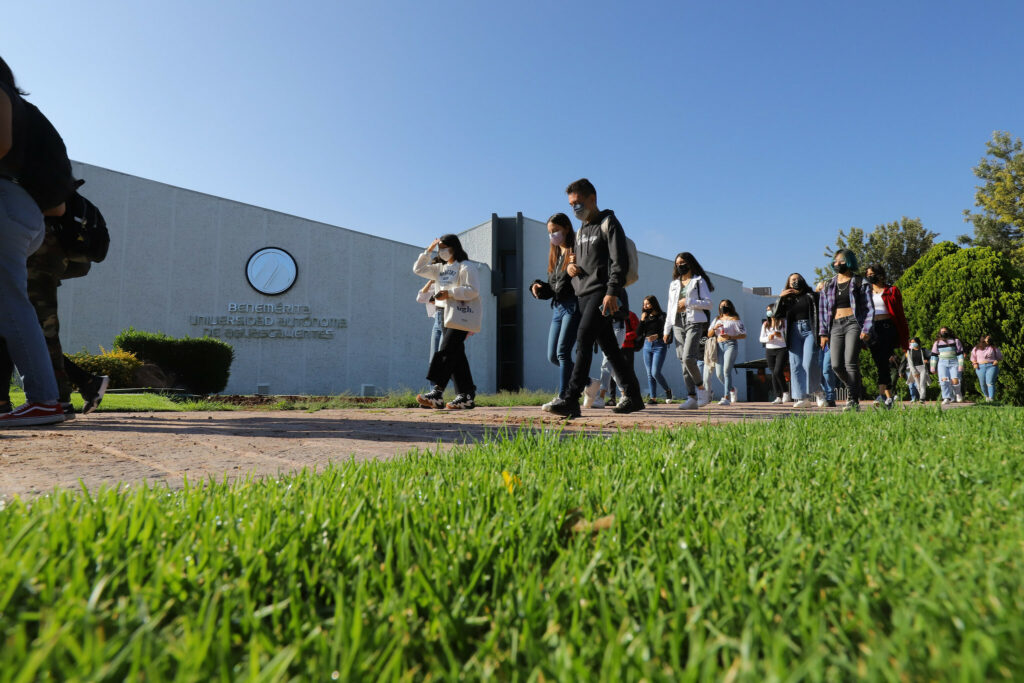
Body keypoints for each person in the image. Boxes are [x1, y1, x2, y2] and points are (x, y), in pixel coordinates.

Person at [0, 57, 65, 427]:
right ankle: (43, 399)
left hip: (4, 206)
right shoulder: (29, 112)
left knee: (11, 303)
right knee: (7, 305)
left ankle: (43, 400)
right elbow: (57, 203)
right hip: (25, 213)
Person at [546, 178, 644, 417]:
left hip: (602, 292)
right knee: (609, 347)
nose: (575, 208)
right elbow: (580, 262)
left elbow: (618, 261)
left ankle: (570, 399)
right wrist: (571, 268)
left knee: (583, 340)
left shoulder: (608, 223)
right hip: (583, 293)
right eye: (571, 204)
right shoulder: (580, 232)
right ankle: (633, 396)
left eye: (578, 202)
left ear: (592, 199)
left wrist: (612, 292)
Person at [413, 234, 481, 410]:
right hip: (443, 313)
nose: (441, 251)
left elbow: (473, 290)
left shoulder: (466, 267)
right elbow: (418, 269)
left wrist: (450, 293)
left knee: (446, 351)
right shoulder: (440, 268)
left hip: (459, 314)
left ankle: (437, 392)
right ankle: (466, 395)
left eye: (444, 247)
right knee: (456, 355)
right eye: (439, 248)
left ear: (454, 247)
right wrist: (428, 251)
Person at [531, 213, 580, 409]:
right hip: (558, 308)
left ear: (566, 228)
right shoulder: (556, 255)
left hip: (573, 305)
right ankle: (588, 382)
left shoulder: (575, 250)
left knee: (562, 352)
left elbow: (580, 276)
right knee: (552, 356)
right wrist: (537, 287)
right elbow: (554, 288)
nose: (552, 235)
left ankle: (563, 396)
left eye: (555, 231)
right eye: (550, 232)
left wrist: (574, 268)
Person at [818, 249, 874, 411]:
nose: (837, 264)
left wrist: (867, 329)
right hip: (835, 325)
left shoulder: (859, 282)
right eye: (835, 261)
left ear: (849, 262)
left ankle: (852, 400)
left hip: (853, 324)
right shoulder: (828, 284)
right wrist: (823, 333)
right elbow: (822, 310)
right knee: (835, 365)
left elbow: (869, 308)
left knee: (850, 362)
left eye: (841, 261)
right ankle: (854, 388)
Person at [663, 252, 714, 410]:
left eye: (683, 262)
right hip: (677, 322)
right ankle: (691, 397)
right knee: (682, 361)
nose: (680, 265)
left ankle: (702, 390)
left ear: (690, 263)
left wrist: (688, 301)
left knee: (688, 358)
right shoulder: (674, 284)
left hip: (693, 321)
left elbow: (708, 303)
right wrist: (666, 329)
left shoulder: (699, 281)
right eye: (677, 263)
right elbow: (670, 307)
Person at [864, 264, 910, 409]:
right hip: (871, 329)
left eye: (872, 273)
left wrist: (904, 339)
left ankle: (882, 395)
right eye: (868, 274)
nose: (870, 276)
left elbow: (900, 314)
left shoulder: (892, 290)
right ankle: (889, 398)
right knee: (880, 363)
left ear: (880, 274)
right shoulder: (865, 292)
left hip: (887, 327)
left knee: (884, 362)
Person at [775, 273, 822, 408]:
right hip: (793, 331)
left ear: (802, 280)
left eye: (797, 279)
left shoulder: (812, 296)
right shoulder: (787, 299)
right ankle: (802, 397)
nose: (795, 282)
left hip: (809, 329)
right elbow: (776, 314)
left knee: (808, 363)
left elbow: (820, 313)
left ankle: (818, 391)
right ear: (788, 284)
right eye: (792, 280)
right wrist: (780, 298)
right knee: (795, 365)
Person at [707, 299, 746, 405]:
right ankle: (732, 389)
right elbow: (709, 334)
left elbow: (743, 334)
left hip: (730, 345)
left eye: (725, 305)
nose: (723, 307)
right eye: (721, 305)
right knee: (719, 374)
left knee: (726, 371)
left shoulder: (735, 319)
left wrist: (730, 336)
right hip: (719, 346)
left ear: (730, 307)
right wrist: (715, 328)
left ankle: (726, 397)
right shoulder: (717, 319)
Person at [638, 295, 672, 404]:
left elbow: (668, 331)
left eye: (647, 303)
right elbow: (638, 333)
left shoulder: (662, 316)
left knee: (655, 372)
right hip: (647, 346)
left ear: (653, 304)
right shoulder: (645, 317)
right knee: (649, 373)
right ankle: (653, 398)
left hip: (659, 345)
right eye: (644, 304)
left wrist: (657, 336)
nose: (645, 306)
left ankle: (667, 390)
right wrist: (642, 320)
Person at [759, 304, 787, 403]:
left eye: (770, 310)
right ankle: (778, 396)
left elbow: (787, 337)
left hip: (781, 349)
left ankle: (785, 391)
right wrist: (768, 338)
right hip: (769, 349)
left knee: (777, 371)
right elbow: (761, 338)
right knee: (773, 373)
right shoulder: (766, 324)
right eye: (767, 310)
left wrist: (780, 335)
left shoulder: (783, 322)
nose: (768, 312)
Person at [930, 327, 964, 405]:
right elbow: (934, 355)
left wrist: (961, 364)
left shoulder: (955, 341)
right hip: (942, 363)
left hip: (954, 362)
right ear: (939, 333)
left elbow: (960, 354)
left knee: (955, 380)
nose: (944, 333)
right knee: (944, 380)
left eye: (945, 331)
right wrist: (932, 367)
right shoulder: (937, 343)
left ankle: (958, 393)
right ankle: (946, 397)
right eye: (942, 331)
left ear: (949, 332)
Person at [970, 334, 1002, 402]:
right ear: (983, 339)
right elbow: (973, 357)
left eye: (990, 338)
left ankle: (991, 398)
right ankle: (986, 396)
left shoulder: (993, 348)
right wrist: (974, 363)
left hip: (991, 366)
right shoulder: (976, 348)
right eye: (988, 338)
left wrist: (996, 361)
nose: (989, 339)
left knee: (990, 382)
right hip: (980, 367)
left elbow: (1000, 357)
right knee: (983, 384)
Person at [898, 336, 929, 403]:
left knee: (921, 383)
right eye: (911, 343)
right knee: (914, 385)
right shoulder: (908, 352)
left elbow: (931, 356)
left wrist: (927, 361)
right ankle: (915, 397)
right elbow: (905, 362)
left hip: (921, 368)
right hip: (911, 370)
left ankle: (922, 398)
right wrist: (901, 371)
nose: (912, 344)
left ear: (918, 342)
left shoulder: (923, 350)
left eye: (914, 342)